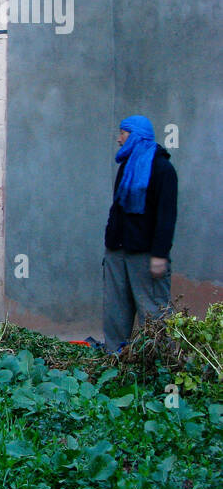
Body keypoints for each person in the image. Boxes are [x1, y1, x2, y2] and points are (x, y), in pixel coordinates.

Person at [102, 115, 177, 354]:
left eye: (123, 133)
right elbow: (118, 209)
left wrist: (159, 255)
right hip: (117, 250)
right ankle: (114, 359)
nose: (118, 139)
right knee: (115, 311)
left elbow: (167, 216)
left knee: (153, 312)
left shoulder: (163, 169)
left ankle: (158, 366)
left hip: (145, 254)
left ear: (135, 135)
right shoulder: (126, 166)